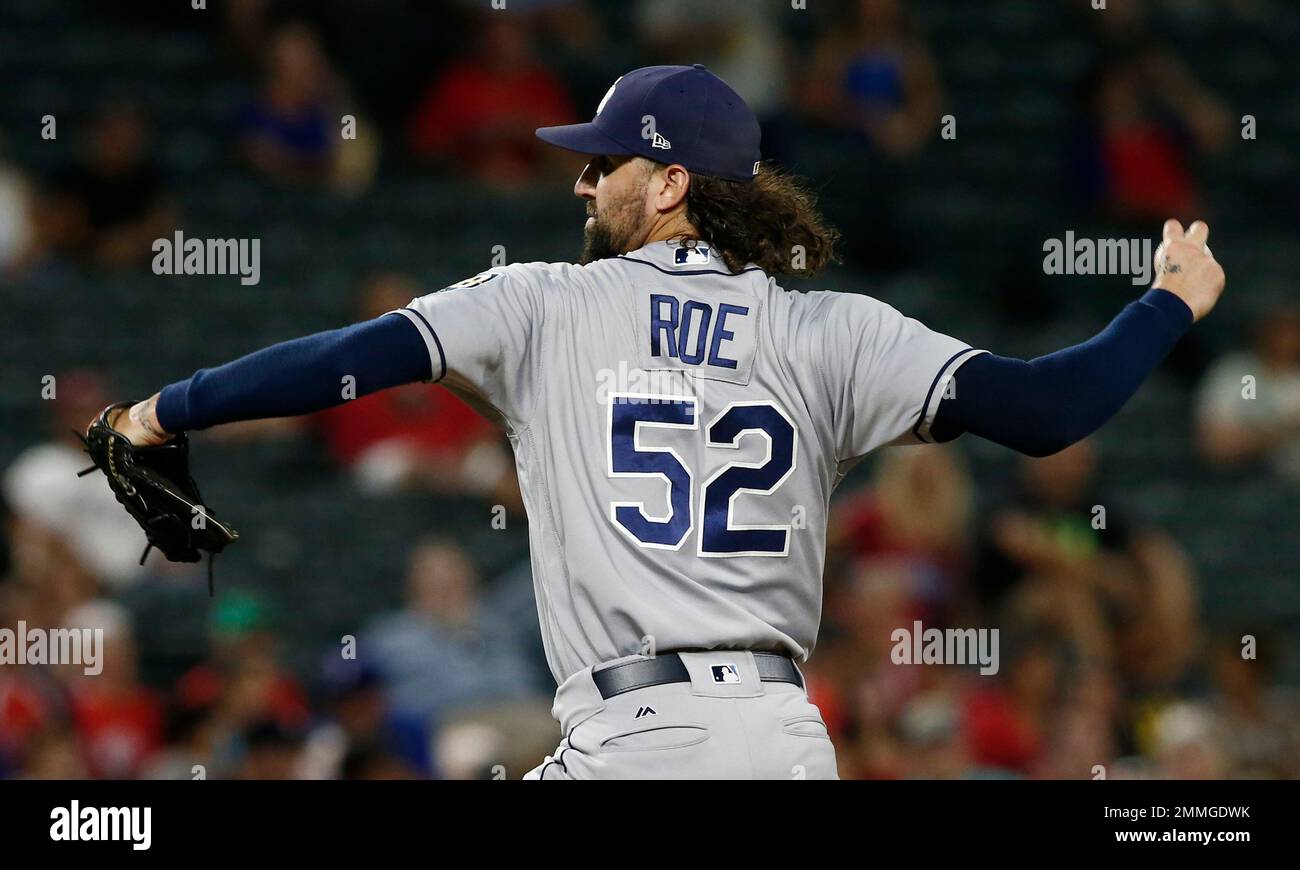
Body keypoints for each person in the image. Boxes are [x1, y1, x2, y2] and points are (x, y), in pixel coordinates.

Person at [92, 65, 1225, 780]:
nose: (582, 184)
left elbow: (345, 362)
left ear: (672, 182)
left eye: (605, 163)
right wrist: (1168, 300)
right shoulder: (830, 330)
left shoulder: (542, 302)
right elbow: (1049, 408)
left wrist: (160, 411)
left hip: (641, 737)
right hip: (786, 743)